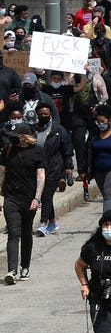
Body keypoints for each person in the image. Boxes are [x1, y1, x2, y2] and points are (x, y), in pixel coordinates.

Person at [1, 121, 44, 284]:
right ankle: (12, 270)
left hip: (29, 199)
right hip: (11, 198)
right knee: (13, 233)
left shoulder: (37, 152)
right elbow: (1, 174)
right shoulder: (7, 150)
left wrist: (37, 198)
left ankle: (25, 267)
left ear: (24, 137)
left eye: (15, 136)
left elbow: (41, 176)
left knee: (26, 233)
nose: (11, 139)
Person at [33, 101, 73, 236]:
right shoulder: (33, 130)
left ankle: (43, 224)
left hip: (54, 168)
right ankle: (52, 222)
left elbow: (67, 149)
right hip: (38, 169)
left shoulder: (58, 130)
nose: (43, 116)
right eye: (41, 114)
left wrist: (69, 167)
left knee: (46, 196)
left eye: (46, 114)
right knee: (46, 196)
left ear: (50, 114)